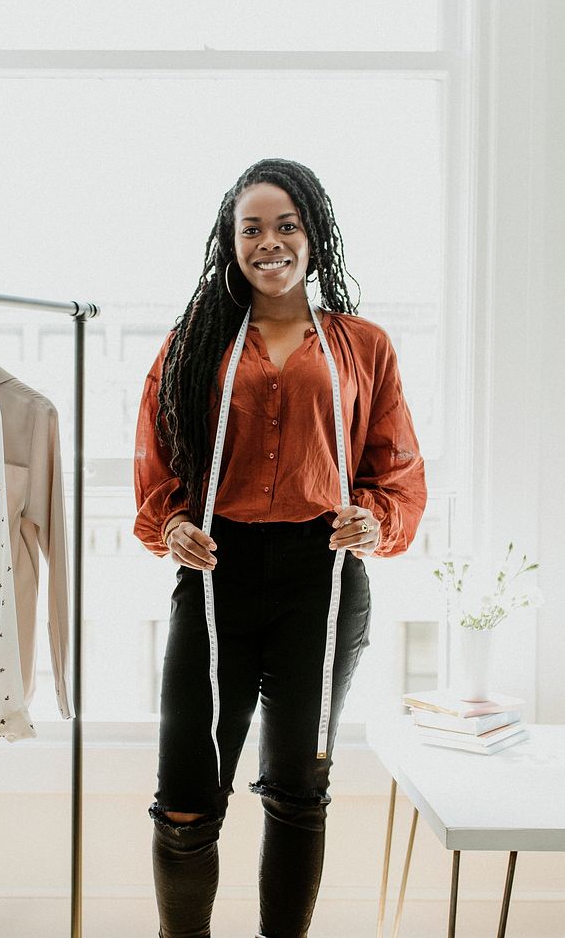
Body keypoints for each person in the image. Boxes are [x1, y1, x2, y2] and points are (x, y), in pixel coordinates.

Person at [133, 157, 427, 938]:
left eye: (286, 225)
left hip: (322, 580)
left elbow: (394, 468)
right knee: (189, 790)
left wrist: (374, 517)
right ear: (230, 243)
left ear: (315, 235)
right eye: (252, 228)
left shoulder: (362, 345)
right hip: (215, 578)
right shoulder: (195, 344)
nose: (270, 242)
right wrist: (172, 524)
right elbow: (157, 460)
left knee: (298, 787)